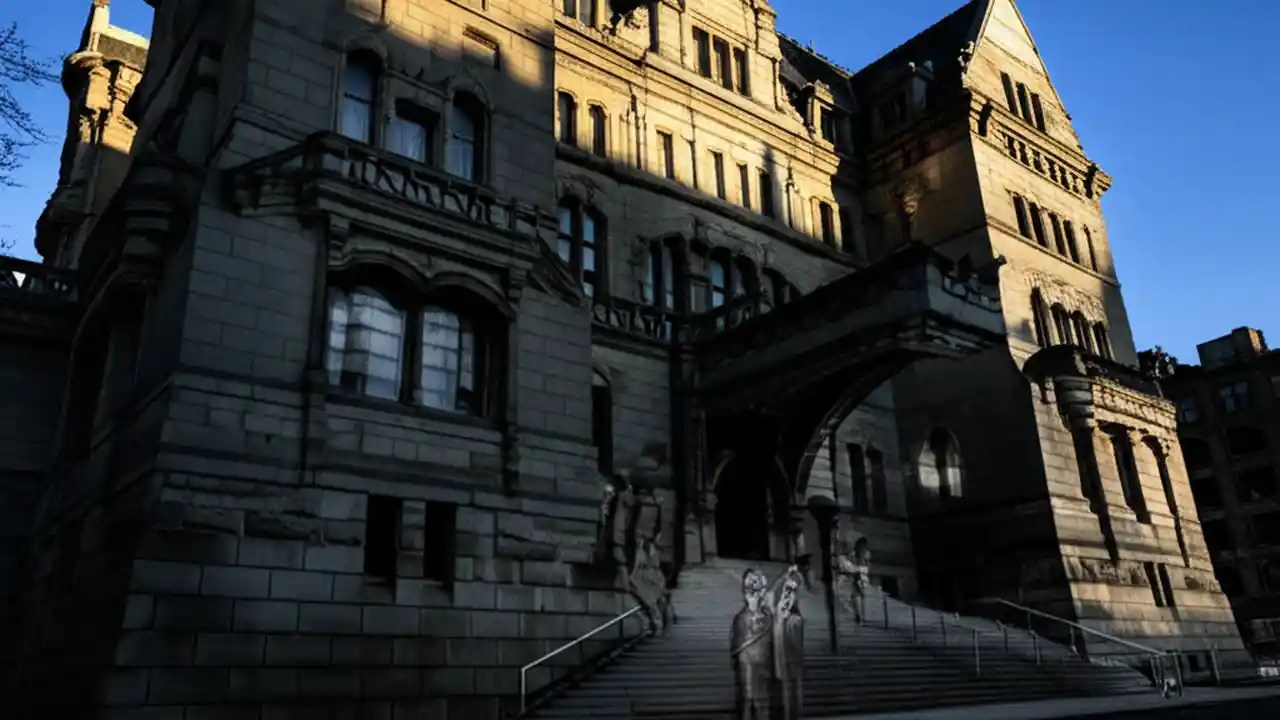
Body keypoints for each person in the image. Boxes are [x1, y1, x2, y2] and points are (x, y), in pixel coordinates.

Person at [730, 569, 773, 719]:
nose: (752, 595)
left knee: (761, 699)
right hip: (747, 662)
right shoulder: (740, 618)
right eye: (749, 590)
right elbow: (736, 644)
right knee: (747, 697)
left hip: (762, 662)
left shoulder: (768, 618)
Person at [771, 576, 805, 720]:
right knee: (783, 695)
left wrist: (785, 618)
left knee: (795, 693)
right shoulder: (777, 615)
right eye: (787, 589)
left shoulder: (796, 619)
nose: (789, 594)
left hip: (793, 661)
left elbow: (795, 638)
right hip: (780, 662)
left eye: (792, 591)